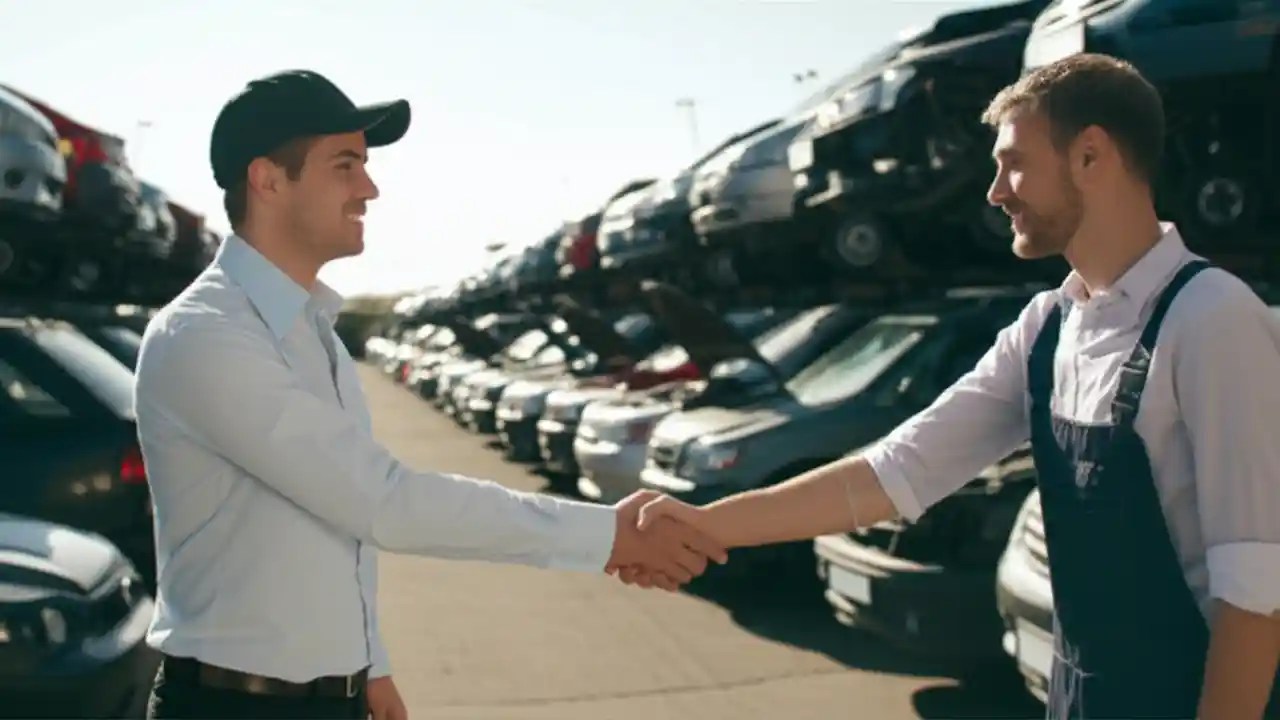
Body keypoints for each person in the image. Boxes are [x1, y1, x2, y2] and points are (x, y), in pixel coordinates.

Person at [635, 53, 1280, 720]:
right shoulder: (1047, 328)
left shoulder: (1212, 320)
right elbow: (894, 472)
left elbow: (1256, 592)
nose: (996, 191)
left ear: (1092, 156)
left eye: (1014, 164)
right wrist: (707, 524)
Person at [134, 69, 726, 720]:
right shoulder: (206, 336)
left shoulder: (314, 334)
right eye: (345, 164)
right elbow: (381, 503)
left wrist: (370, 666)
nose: (370, 187)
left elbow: (339, 527)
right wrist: (611, 535)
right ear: (268, 179)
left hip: (332, 700)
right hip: (230, 707)